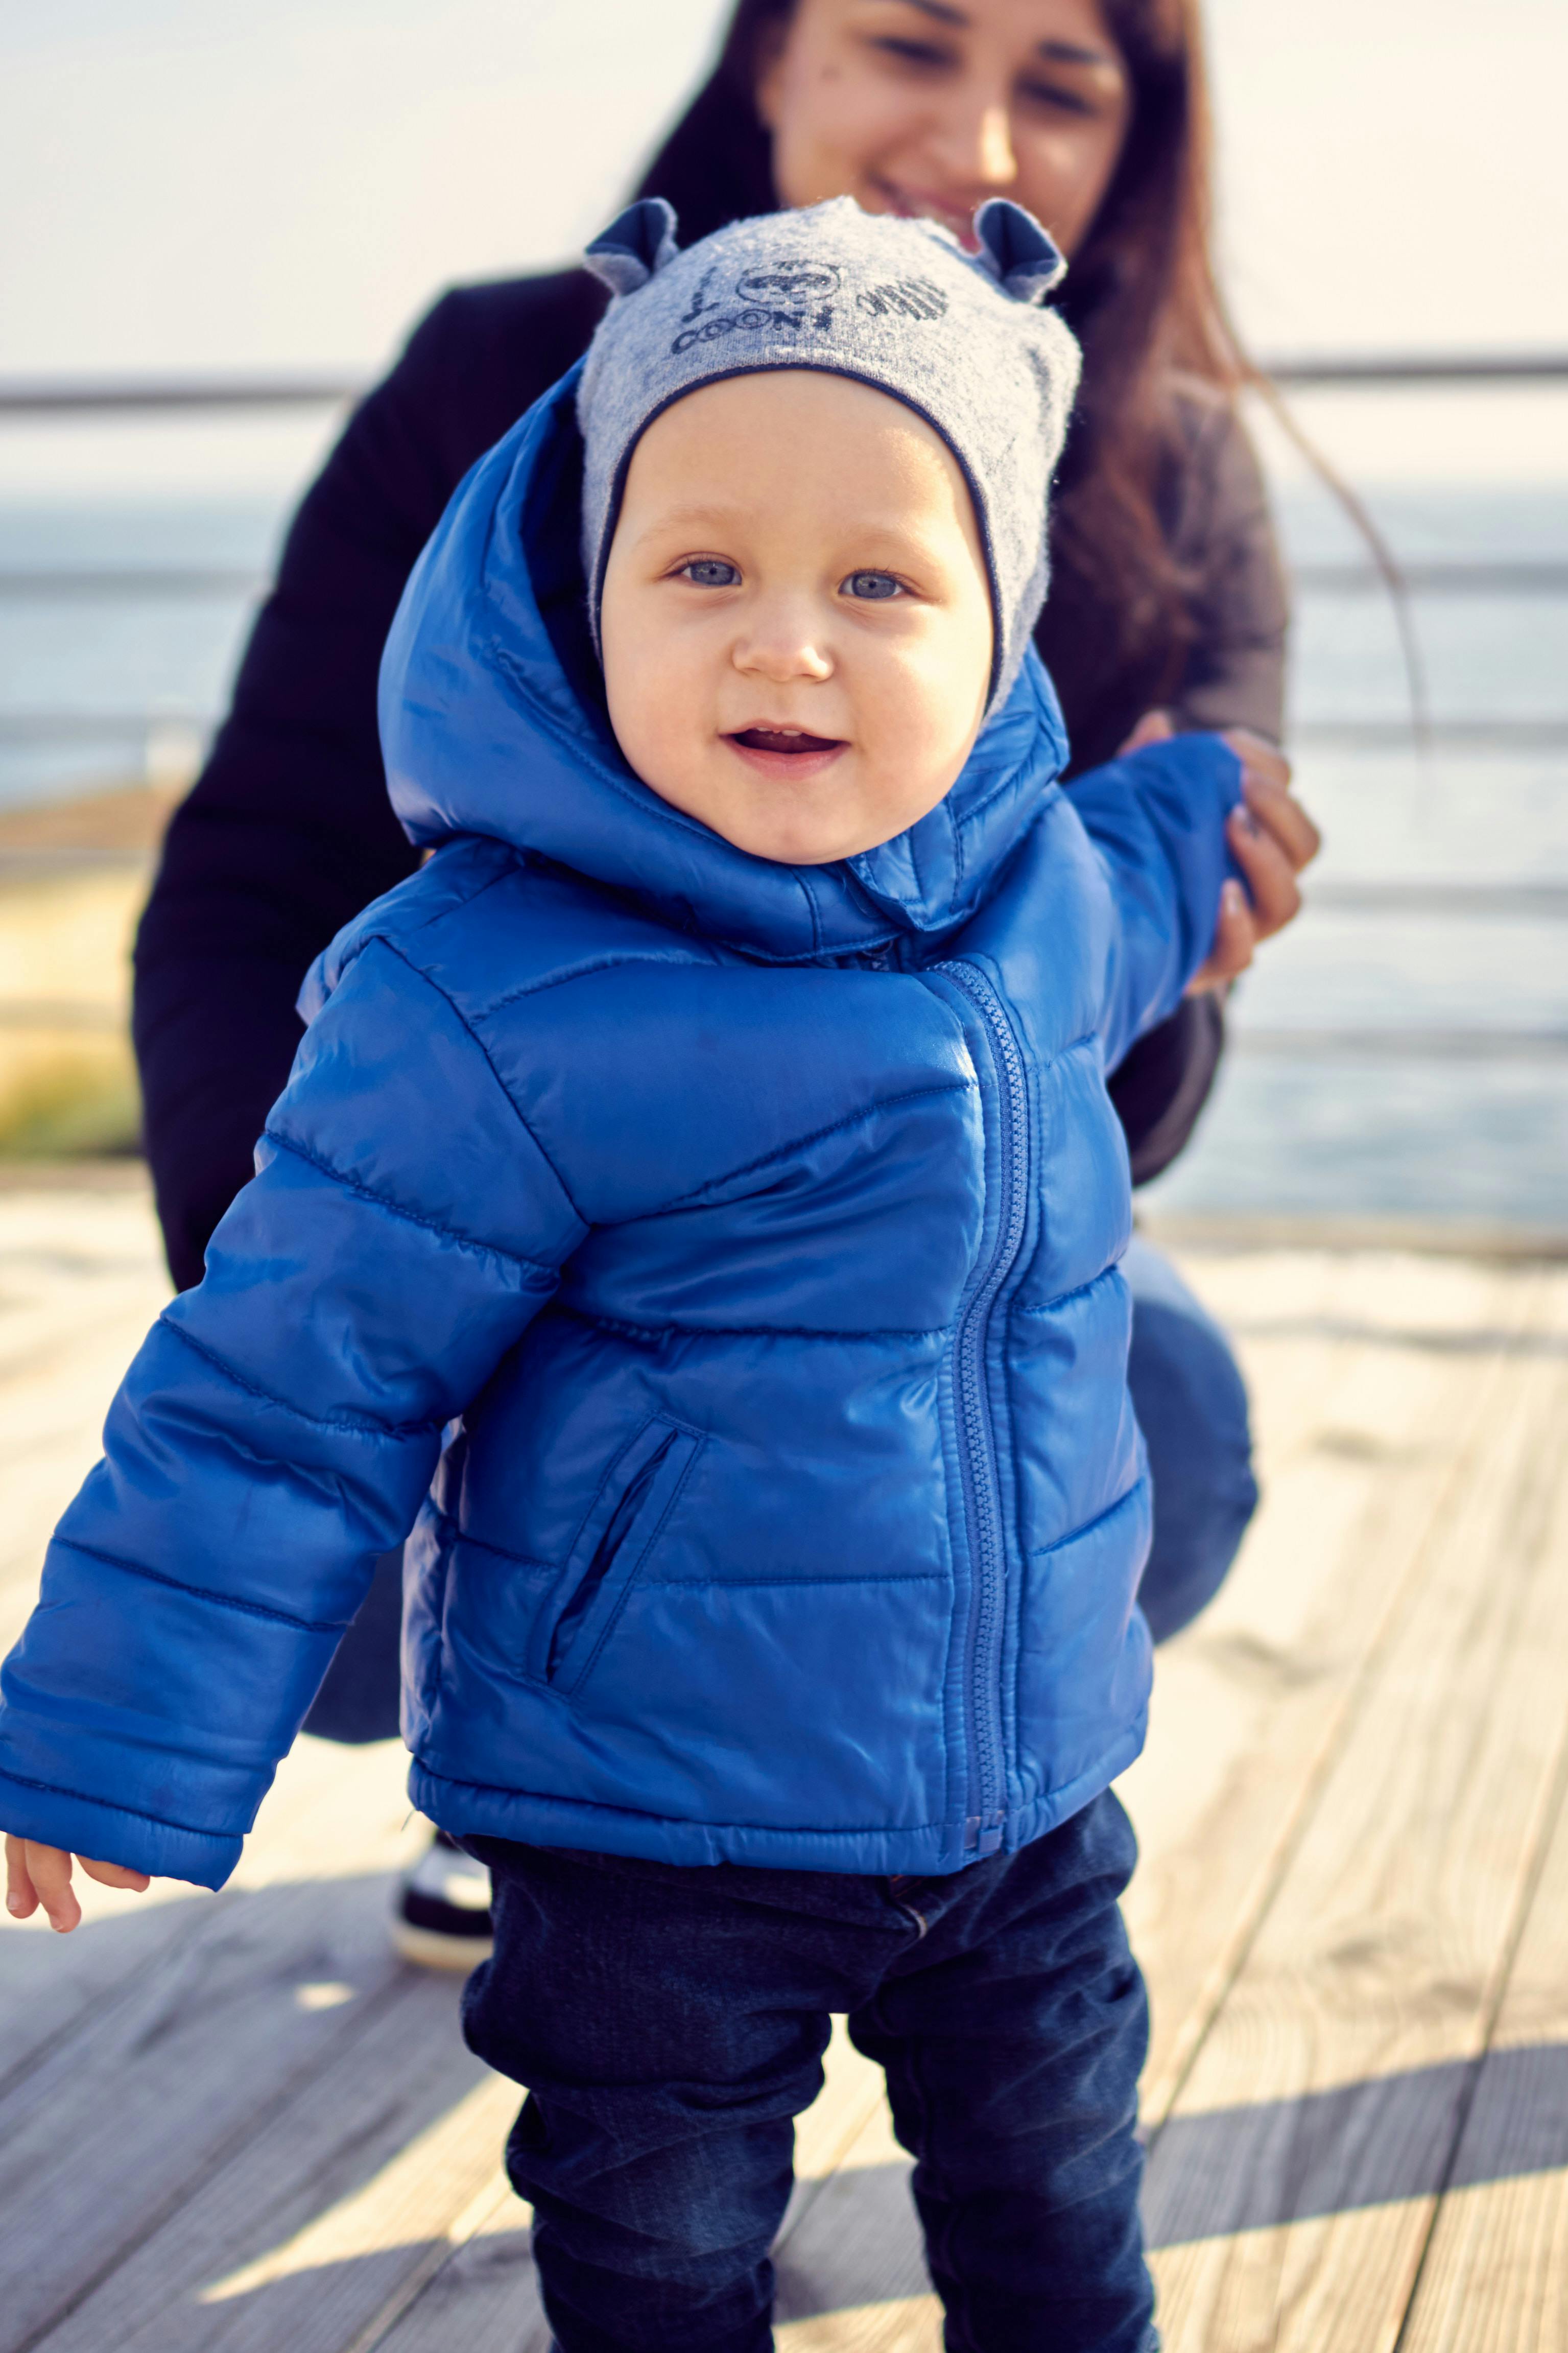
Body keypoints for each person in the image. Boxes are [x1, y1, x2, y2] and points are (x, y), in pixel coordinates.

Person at [4, 194, 1319, 2351]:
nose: (784, 644)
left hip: (1026, 1787)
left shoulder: (1050, 899)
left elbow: (1154, 862)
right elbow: (278, 1396)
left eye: (881, 583)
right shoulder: (484, 1000)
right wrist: (106, 1733)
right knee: (660, 2248)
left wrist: (1212, 796)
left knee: (1061, 2206)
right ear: (585, 588)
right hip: (652, 1826)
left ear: (1001, 625)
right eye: (701, 568)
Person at [130, 0, 1318, 1964]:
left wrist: (1180, 967)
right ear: (772, 58)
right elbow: (245, 878)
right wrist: (339, 1271)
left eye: (1065, 87)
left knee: (1168, 1420)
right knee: (327, 1529)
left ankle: (911, 1796)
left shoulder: (1174, 472)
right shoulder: (498, 376)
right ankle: (548, 1793)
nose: (981, 143)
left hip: (916, 1255)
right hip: (489, 1209)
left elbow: (1141, 1084)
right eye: (911, 47)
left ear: (1139, 147)